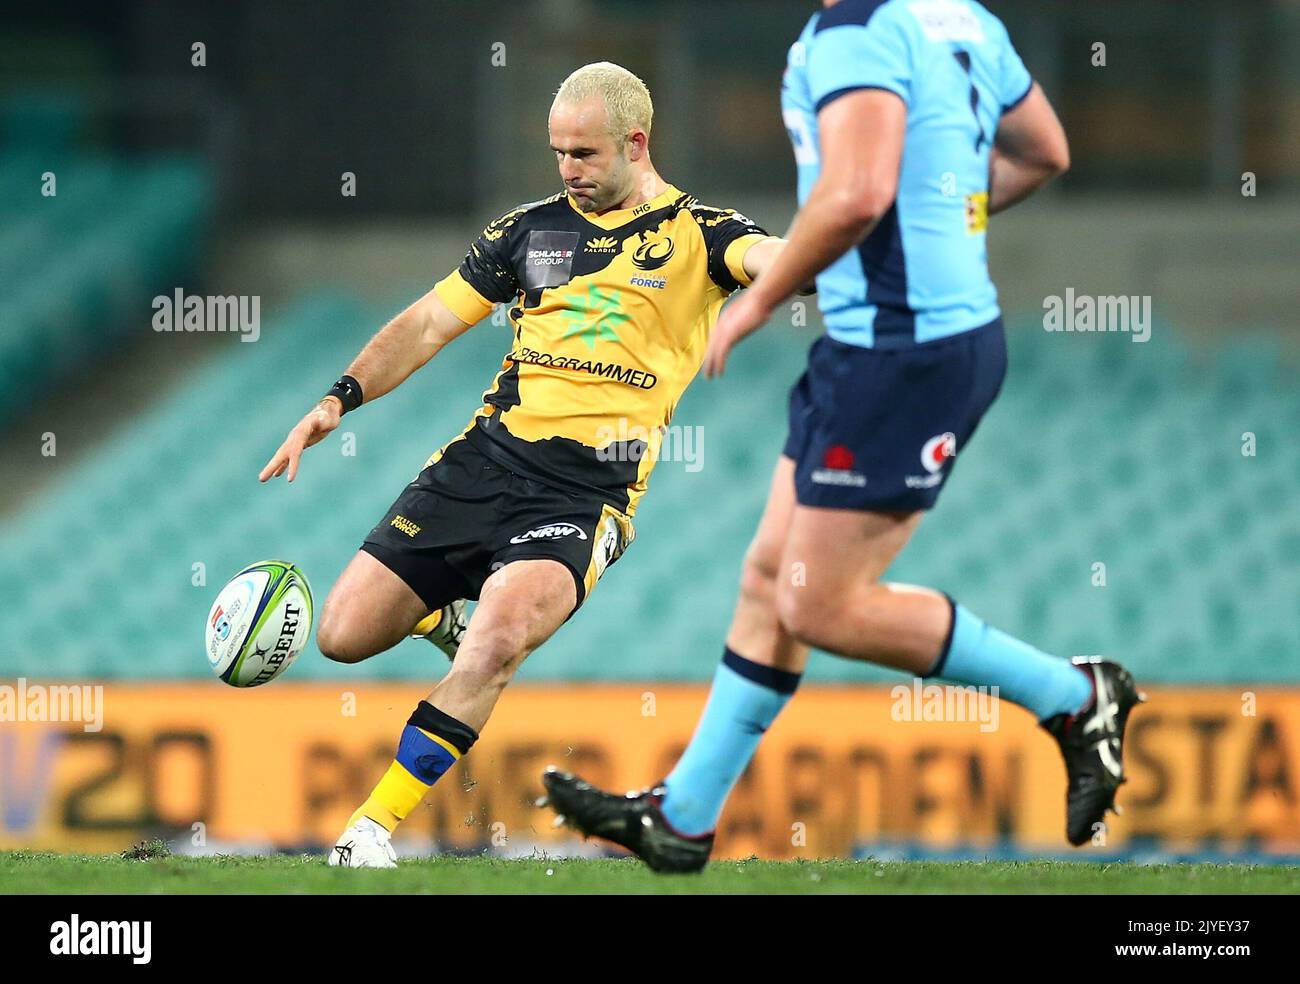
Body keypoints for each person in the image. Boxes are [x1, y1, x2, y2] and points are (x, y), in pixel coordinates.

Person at [542, 0, 1143, 872]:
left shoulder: (853, 33)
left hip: (905, 353)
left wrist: (757, 296)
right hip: (881, 344)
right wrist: (942, 224)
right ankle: (683, 820)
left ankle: (1075, 696)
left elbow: (857, 194)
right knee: (767, 576)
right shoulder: (961, 19)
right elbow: (1044, 151)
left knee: (817, 603)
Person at [258, 61, 791, 867]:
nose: (568, 172)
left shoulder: (705, 235)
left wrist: (819, 255)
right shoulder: (529, 232)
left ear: (635, 142)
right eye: (557, 154)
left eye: (584, 154)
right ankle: (446, 619)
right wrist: (339, 398)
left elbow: (771, 261)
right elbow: (431, 323)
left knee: (499, 644)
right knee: (342, 635)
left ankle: (367, 832)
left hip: (584, 495)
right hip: (481, 463)